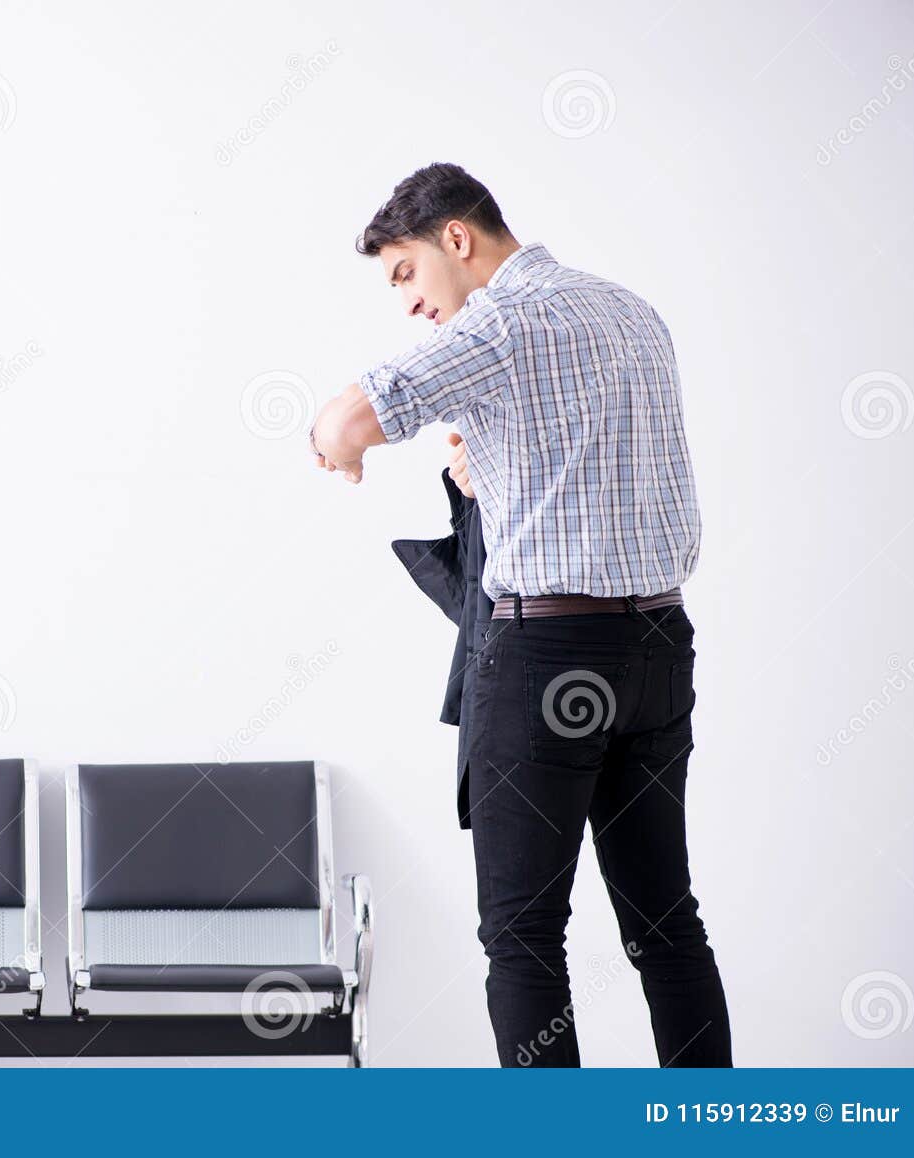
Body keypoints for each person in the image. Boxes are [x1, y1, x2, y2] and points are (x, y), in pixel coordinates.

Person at [309, 162, 730, 1067]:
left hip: (547, 657)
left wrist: (331, 448)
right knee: (666, 923)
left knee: (525, 935)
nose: (409, 303)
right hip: (658, 647)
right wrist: (487, 473)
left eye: (406, 274)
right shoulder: (630, 310)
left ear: (456, 239)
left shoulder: (500, 321)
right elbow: (599, 470)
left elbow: (354, 417)